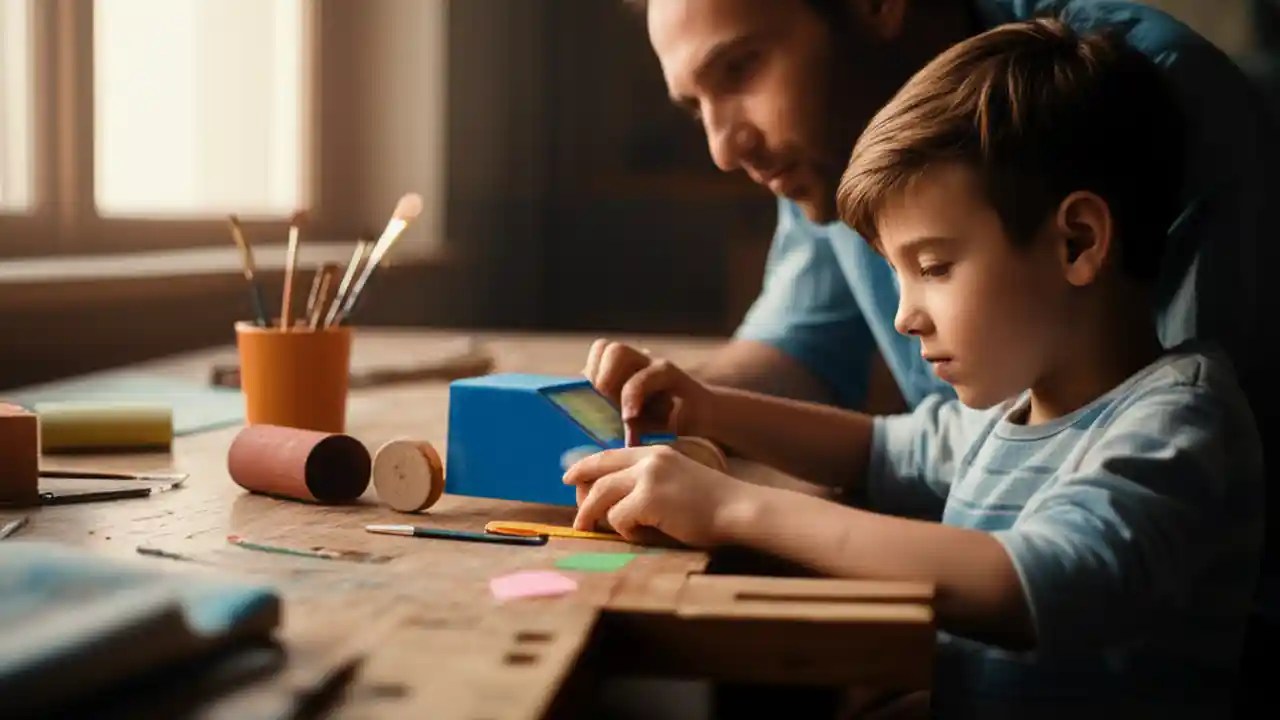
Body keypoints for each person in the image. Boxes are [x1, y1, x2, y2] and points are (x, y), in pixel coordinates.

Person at [567, 17, 1265, 717]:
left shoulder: (1176, 424)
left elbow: (1029, 585)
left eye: (933, 266)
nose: (904, 316)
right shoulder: (1016, 410)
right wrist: (708, 408)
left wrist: (731, 508)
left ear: (1077, 241)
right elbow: (878, 450)